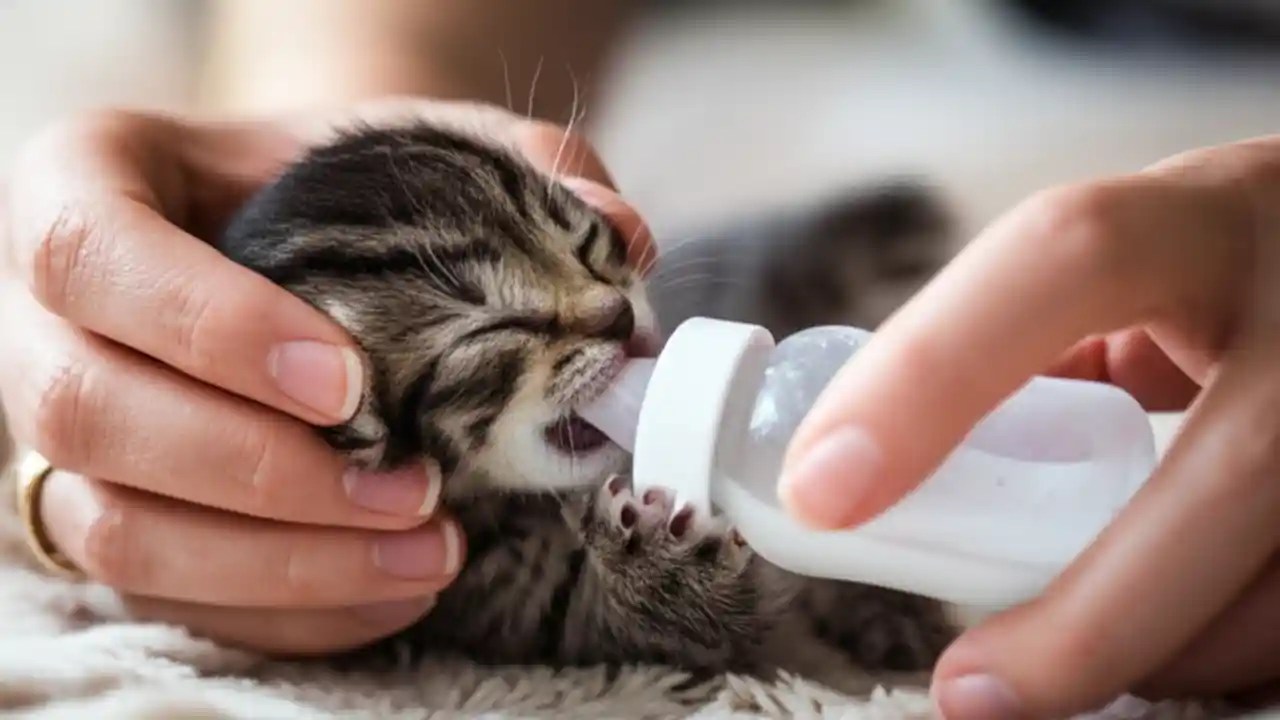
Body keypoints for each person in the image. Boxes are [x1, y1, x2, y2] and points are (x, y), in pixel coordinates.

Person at [2, 4, 1278, 719]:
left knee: (839, 275)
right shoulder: (430, 539)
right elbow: (607, 617)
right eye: (507, 333)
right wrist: (340, 99)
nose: (608, 322)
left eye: (582, 250)